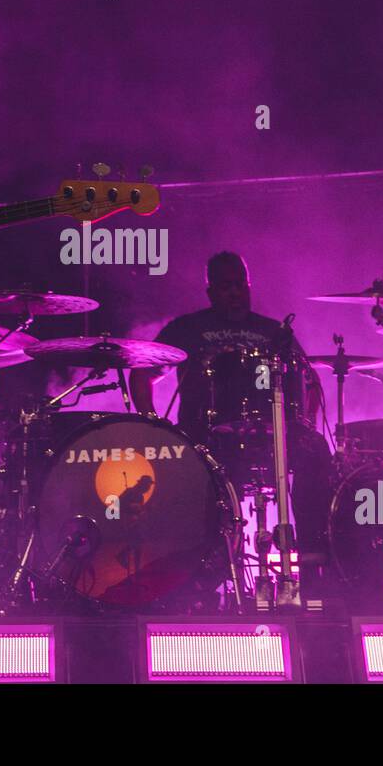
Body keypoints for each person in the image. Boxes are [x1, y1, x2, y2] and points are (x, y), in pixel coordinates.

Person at [129, 251, 335, 585]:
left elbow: (309, 380)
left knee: (315, 450)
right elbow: (141, 374)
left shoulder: (273, 332)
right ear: (210, 292)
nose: (235, 292)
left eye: (240, 285)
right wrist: (153, 425)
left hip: (271, 435)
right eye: (226, 287)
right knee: (195, 485)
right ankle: (205, 578)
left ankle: (315, 562)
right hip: (206, 437)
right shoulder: (187, 329)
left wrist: (306, 422)